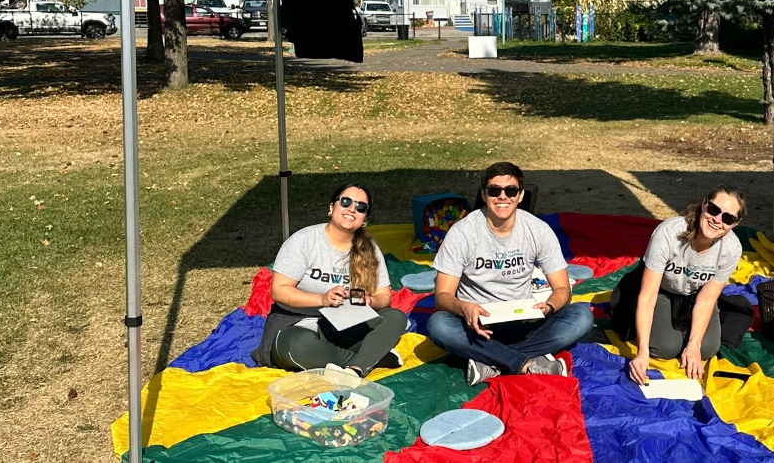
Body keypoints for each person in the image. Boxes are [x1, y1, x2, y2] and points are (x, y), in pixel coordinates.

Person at [428, 162, 594, 385]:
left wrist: (550, 306)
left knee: (581, 316)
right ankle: (525, 363)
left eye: (511, 191)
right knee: (439, 324)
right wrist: (464, 307)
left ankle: (492, 361)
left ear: (520, 195)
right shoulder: (462, 233)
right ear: (484, 194)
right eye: (495, 190)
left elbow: (563, 289)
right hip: (477, 326)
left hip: (524, 319)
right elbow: (442, 297)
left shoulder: (538, 229)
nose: (502, 197)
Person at [252, 183, 408, 375]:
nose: (352, 209)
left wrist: (370, 301)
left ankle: (356, 365)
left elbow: (384, 297)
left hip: (345, 326)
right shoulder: (304, 240)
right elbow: (279, 290)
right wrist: (321, 299)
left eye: (361, 207)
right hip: (295, 323)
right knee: (300, 347)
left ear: (365, 218)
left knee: (395, 317)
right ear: (332, 207)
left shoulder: (370, 249)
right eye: (345, 202)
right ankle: (366, 360)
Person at [615, 185, 746, 384]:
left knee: (706, 349)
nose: (717, 220)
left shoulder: (732, 248)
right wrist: (642, 353)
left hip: (694, 296)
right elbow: (648, 295)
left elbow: (707, 299)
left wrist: (693, 345)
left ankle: (685, 333)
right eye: (713, 210)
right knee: (665, 348)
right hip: (660, 291)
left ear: (735, 224)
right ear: (704, 204)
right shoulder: (669, 233)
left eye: (727, 218)